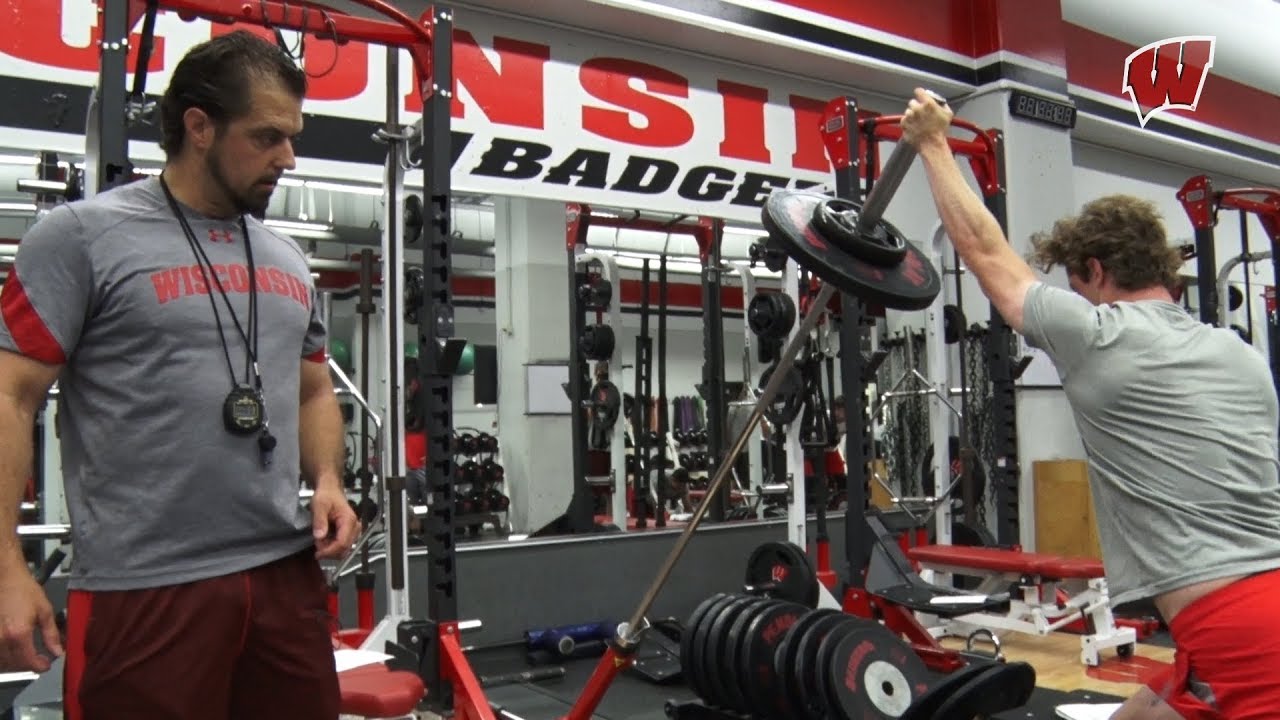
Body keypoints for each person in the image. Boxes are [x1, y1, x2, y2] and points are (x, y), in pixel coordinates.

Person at [0, 30, 360, 719]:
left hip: (283, 575)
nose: (288, 156)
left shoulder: (284, 258)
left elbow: (313, 388)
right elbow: (10, 397)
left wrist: (331, 483)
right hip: (149, 584)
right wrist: (5, 568)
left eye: (292, 136)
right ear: (199, 127)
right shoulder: (79, 239)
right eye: (267, 137)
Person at [900, 88, 1280, 719]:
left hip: (1236, 634)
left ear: (1097, 271)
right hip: (1245, 610)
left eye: (1080, 286)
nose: (1082, 300)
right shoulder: (1238, 352)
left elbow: (988, 254)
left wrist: (932, 143)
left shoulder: (1099, 337)